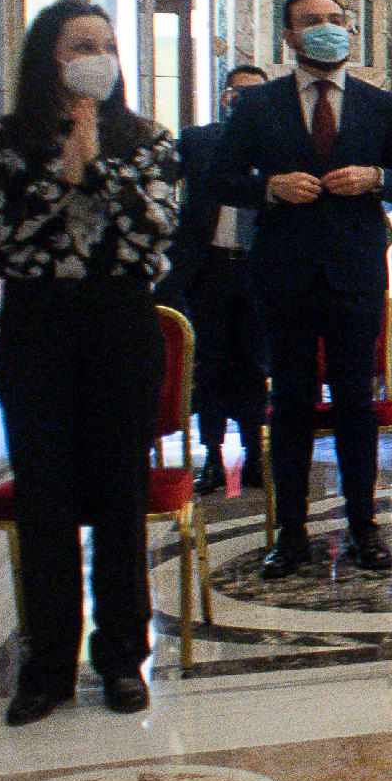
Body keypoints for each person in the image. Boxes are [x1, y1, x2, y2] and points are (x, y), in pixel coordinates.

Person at [0, 1, 180, 725]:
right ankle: (47, 664)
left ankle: (123, 656)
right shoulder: (4, 139)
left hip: (120, 323)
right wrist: (61, 175)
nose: (101, 55)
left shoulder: (145, 139)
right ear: (47, 57)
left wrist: (98, 174)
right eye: (84, 44)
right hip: (38, 328)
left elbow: (155, 235)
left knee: (121, 493)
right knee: (44, 495)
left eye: (109, 45)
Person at [215, 0, 392, 576]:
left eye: (335, 18)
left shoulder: (376, 104)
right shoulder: (259, 106)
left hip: (355, 275)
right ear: (289, 35)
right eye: (311, 20)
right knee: (290, 406)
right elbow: (217, 179)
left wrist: (376, 178)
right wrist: (268, 187)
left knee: (357, 405)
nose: (326, 27)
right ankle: (290, 532)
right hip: (282, 274)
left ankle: (365, 525)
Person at [162, 62, 270, 495]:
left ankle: (255, 454)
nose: (241, 99)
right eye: (235, 91)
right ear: (223, 95)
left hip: (259, 268)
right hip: (207, 267)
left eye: (253, 93)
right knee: (208, 366)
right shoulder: (198, 140)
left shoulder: (279, 145)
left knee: (253, 365)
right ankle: (211, 454)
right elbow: (158, 186)